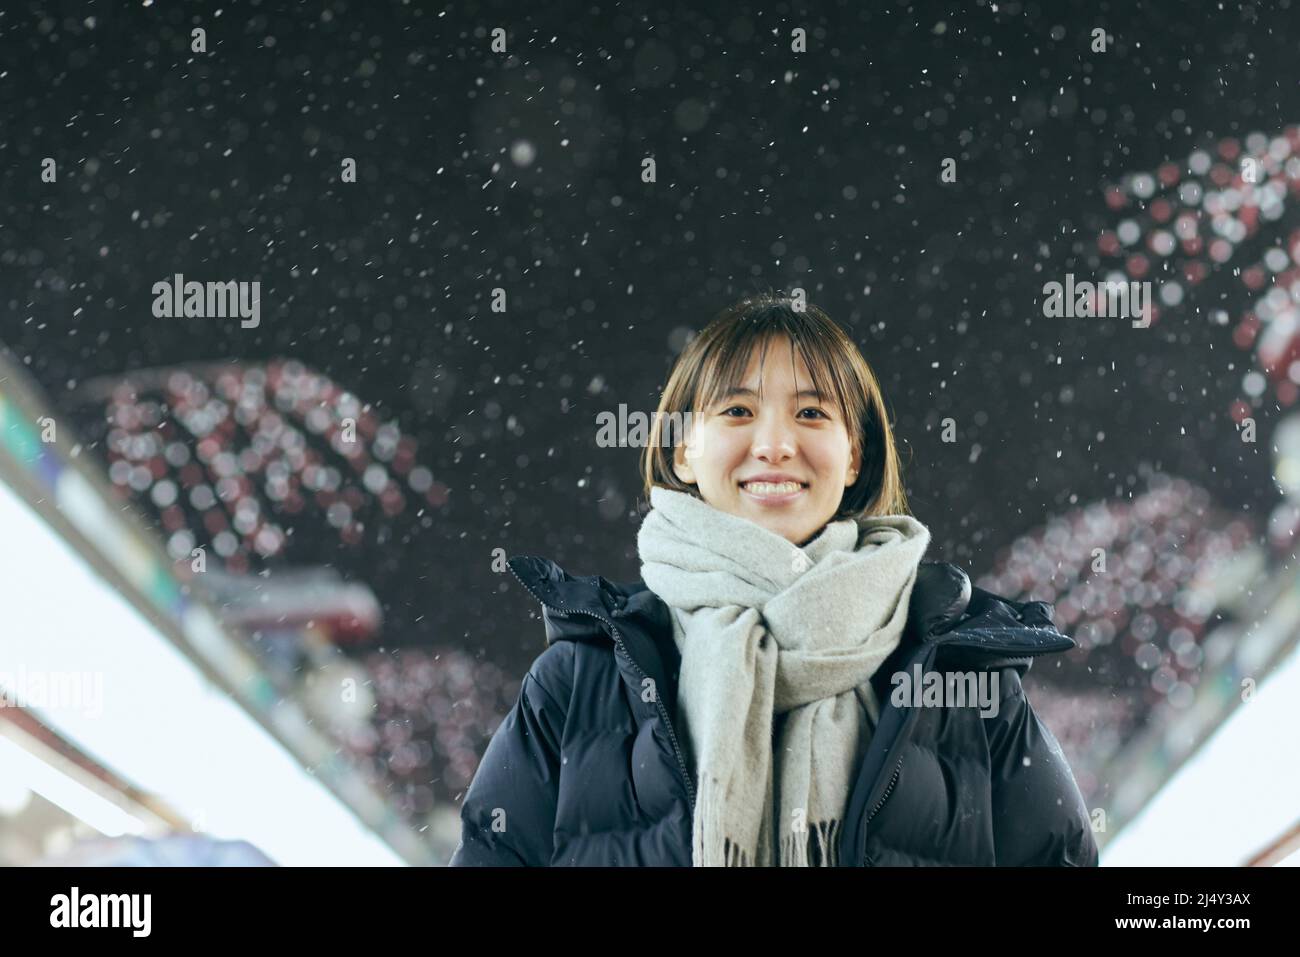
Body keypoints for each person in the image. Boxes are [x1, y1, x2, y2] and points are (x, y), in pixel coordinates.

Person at [449, 293, 1099, 867]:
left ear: (856, 455)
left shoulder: (965, 677)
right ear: (682, 449)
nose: (775, 444)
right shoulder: (578, 679)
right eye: (737, 410)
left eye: (812, 414)